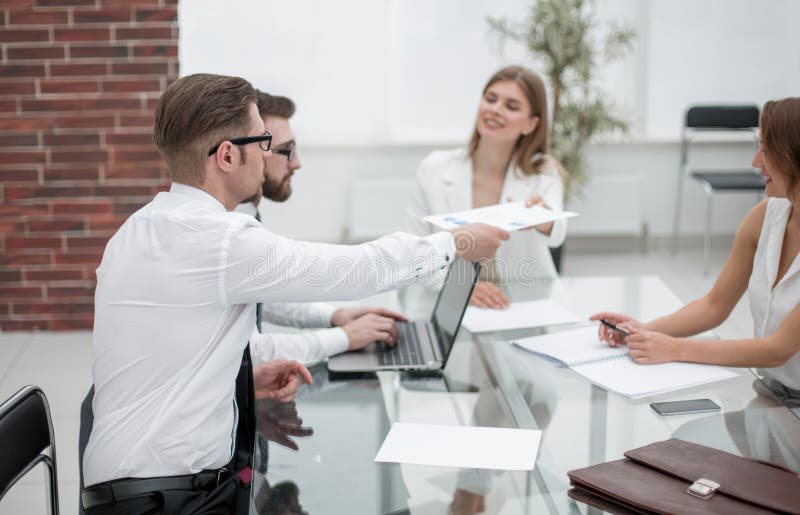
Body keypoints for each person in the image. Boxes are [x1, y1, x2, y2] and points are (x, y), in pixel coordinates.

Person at [81, 73, 508, 514]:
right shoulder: (220, 239)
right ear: (228, 155)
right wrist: (456, 244)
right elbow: (356, 268)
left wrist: (234, 380)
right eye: (262, 140)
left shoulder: (141, 226)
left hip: (138, 484)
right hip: (169, 498)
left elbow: (168, 354)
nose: (268, 154)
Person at [592, 97, 800, 402]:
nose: (755, 161)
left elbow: (776, 350)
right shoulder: (765, 217)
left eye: (765, 150)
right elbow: (714, 306)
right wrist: (641, 332)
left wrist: (675, 348)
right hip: (771, 392)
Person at [240, 91, 407, 365]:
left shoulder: (247, 213)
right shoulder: (228, 231)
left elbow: (258, 297)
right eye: (287, 149)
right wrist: (344, 337)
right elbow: (248, 351)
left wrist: (334, 316)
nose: (297, 163)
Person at [406, 65, 568, 309]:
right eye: (490, 99)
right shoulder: (434, 168)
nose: (495, 110)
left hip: (523, 304)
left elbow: (558, 230)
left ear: (531, 125)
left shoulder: (543, 172)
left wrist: (544, 218)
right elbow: (414, 250)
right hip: (451, 303)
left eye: (511, 106)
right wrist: (458, 287)